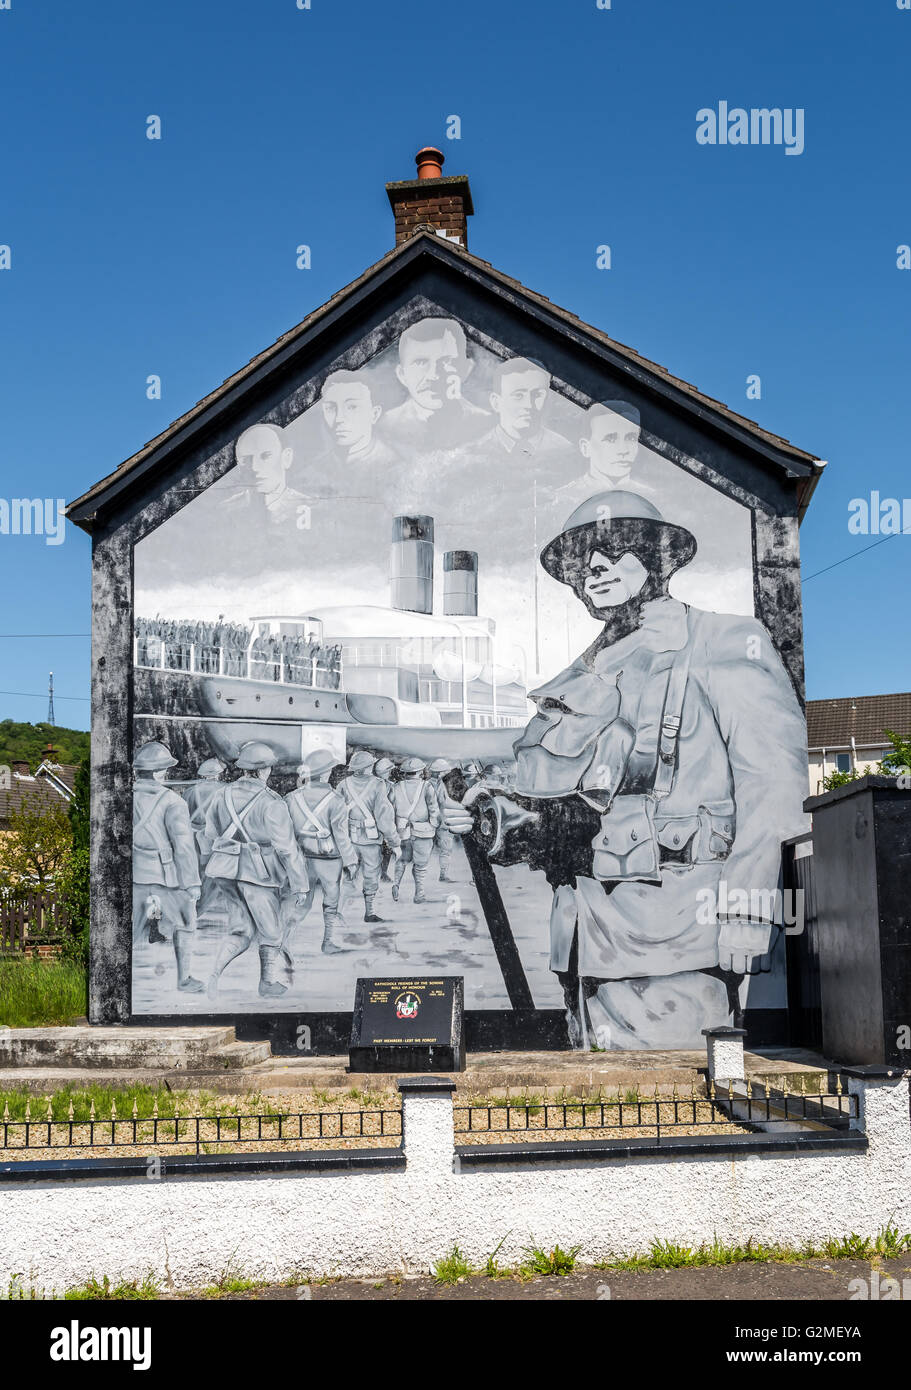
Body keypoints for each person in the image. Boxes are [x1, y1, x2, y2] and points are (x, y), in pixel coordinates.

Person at [443, 490, 808, 1050]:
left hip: (681, 932)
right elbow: (557, 796)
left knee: (675, 1108)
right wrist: (487, 813)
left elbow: (774, 784)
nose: (591, 569)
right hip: (586, 936)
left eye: (609, 552)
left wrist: (749, 903)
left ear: (655, 559)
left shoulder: (722, 641)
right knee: (603, 1104)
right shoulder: (580, 676)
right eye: (579, 562)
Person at [203, 741, 310, 1000]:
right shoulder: (272, 802)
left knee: (240, 930)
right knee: (271, 931)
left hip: (225, 870)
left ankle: (214, 977)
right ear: (264, 771)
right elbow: (286, 849)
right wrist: (300, 884)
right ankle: (267, 982)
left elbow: (209, 836)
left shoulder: (221, 795)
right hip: (258, 874)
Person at [131, 741, 203, 993]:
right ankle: (184, 979)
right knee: (186, 922)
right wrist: (192, 882)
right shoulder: (174, 802)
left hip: (135, 873)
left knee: (131, 927)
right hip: (166, 876)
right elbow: (183, 846)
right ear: (160, 772)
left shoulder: (124, 796)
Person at [282, 749, 357, 955]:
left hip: (301, 858)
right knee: (331, 901)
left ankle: (284, 941)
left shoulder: (291, 798)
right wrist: (351, 860)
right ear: (326, 773)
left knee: (300, 903)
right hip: (329, 859)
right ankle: (327, 942)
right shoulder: (335, 800)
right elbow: (341, 835)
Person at [382, 318, 489, 452]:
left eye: (446, 361)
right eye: (421, 363)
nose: (433, 375)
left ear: (466, 369)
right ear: (402, 374)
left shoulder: (486, 424)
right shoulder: (385, 425)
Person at [339, 750, 401, 923]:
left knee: (348, 875)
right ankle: (369, 912)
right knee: (371, 875)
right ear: (369, 766)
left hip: (349, 840)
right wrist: (394, 840)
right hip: (370, 840)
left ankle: (338, 911)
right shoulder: (378, 784)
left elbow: (337, 814)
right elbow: (384, 817)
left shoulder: (343, 784)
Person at [223, 422, 307, 526]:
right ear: (239, 465)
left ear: (286, 458)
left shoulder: (308, 506)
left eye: (266, 456)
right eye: (246, 460)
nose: (255, 467)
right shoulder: (225, 511)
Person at [389, 758, 440, 904]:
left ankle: (396, 884)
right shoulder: (427, 786)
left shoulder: (395, 787)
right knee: (421, 865)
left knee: (401, 859)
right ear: (420, 772)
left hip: (402, 829)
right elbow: (434, 809)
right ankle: (419, 893)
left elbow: (390, 809)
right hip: (422, 830)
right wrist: (434, 825)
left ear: (405, 773)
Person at [427, 758, 457, 883]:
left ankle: (421, 874)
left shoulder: (425, 784)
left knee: (425, 848)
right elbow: (445, 803)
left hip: (427, 822)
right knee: (445, 849)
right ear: (440, 772)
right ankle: (443, 874)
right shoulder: (445, 785)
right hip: (443, 821)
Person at [374, 757, 396, 882]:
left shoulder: (371, 784)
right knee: (385, 849)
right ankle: (382, 873)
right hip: (384, 821)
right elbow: (392, 804)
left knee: (381, 849)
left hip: (374, 821)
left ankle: (381, 873)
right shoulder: (389, 786)